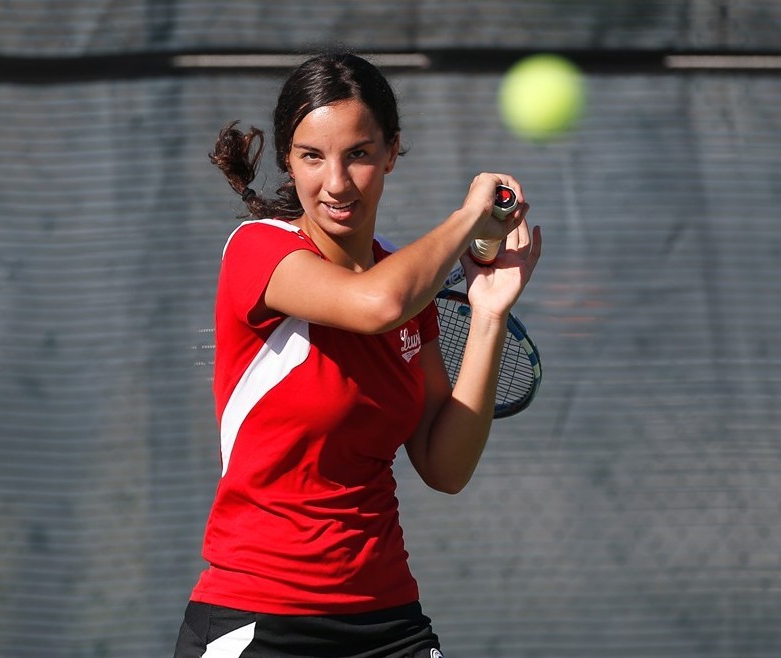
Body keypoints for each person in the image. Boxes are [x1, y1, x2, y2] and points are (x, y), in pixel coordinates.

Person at [174, 50, 541, 658]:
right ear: (289, 162)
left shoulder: (409, 288)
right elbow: (375, 304)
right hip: (261, 619)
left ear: (393, 152)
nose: (336, 182)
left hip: (387, 622)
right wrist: (468, 216)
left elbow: (444, 467)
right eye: (312, 156)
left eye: (360, 154)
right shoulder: (258, 249)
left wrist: (489, 312)